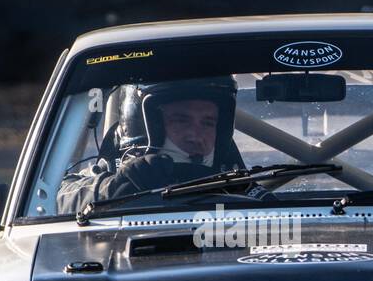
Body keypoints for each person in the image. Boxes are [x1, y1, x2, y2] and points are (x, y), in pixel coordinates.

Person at [56, 77, 244, 214]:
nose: (195, 136)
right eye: (181, 120)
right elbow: (51, 200)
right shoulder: (114, 180)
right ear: (145, 125)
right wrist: (113, 190)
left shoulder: (240, 182)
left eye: (208, 123)